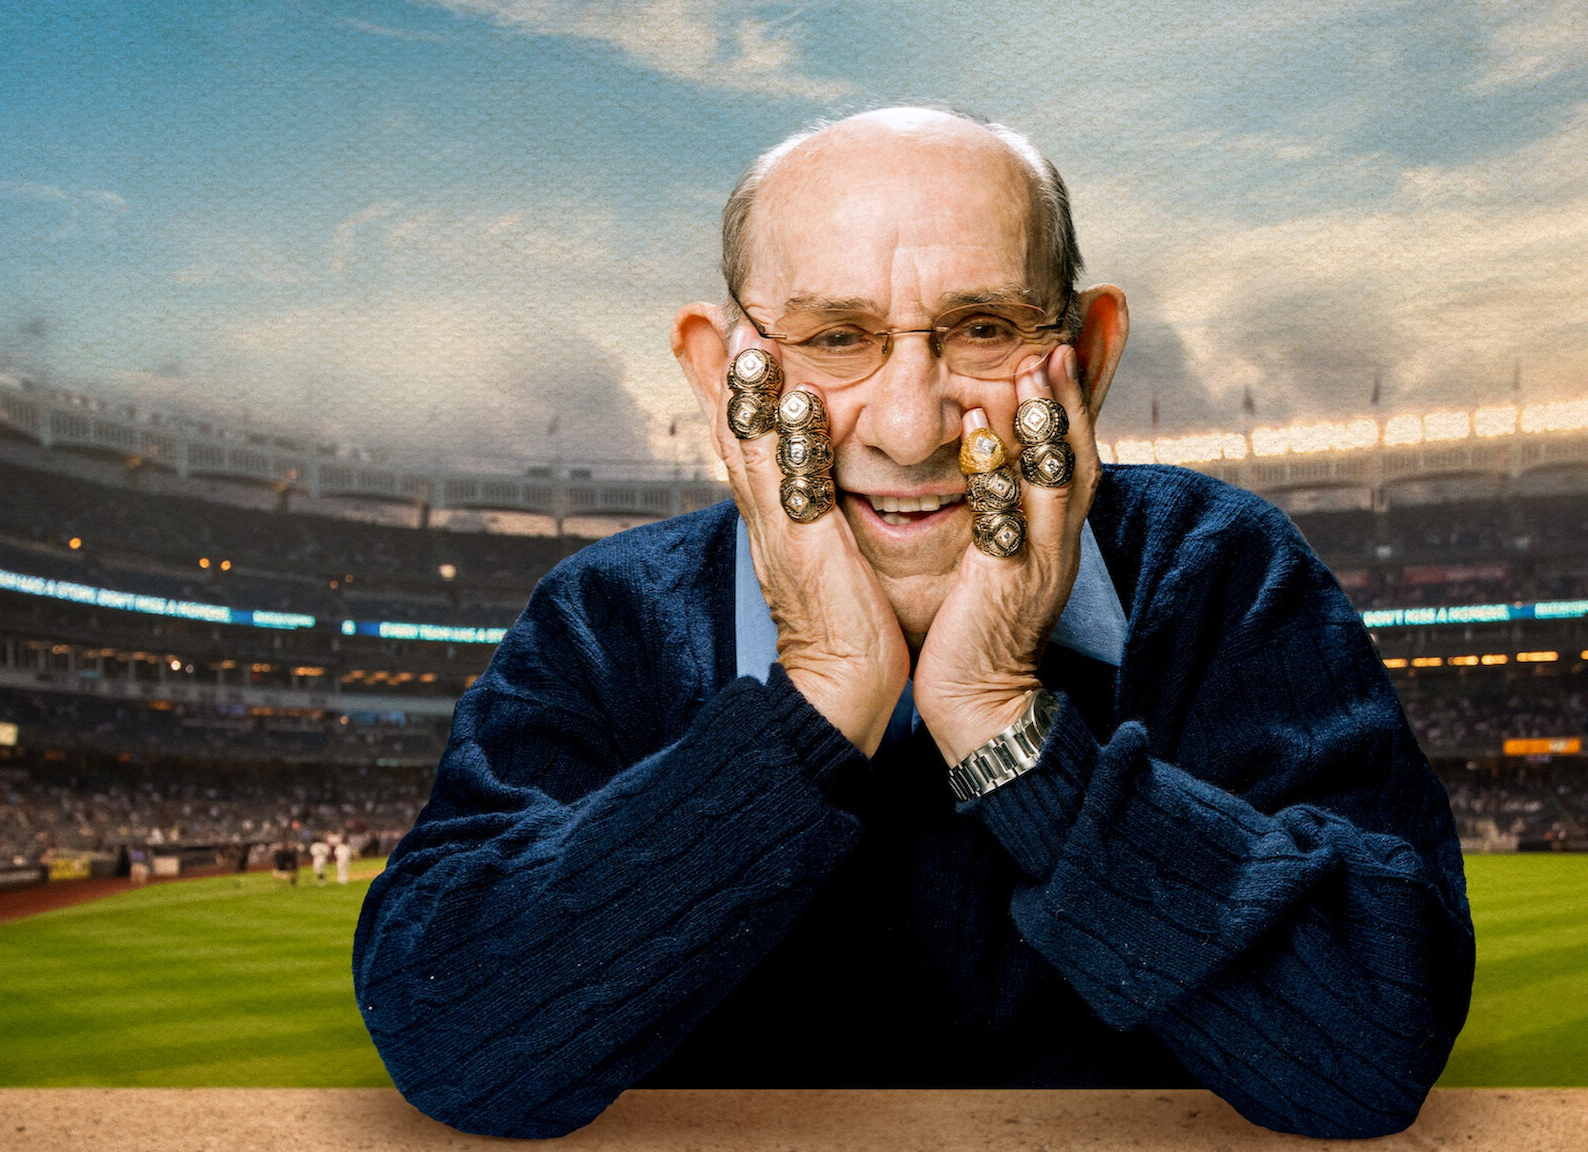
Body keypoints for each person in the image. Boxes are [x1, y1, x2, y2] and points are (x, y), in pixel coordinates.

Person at [352, 107, 1473, 1141]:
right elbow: (456, 1045)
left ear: (1085, 355)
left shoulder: (1214, 568)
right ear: (719, 373)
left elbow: (1373, 1055)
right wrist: (817, 697)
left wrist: (1001, 722)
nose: (907, 427)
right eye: (834, 338)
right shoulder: (609, 613)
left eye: (982, 328)